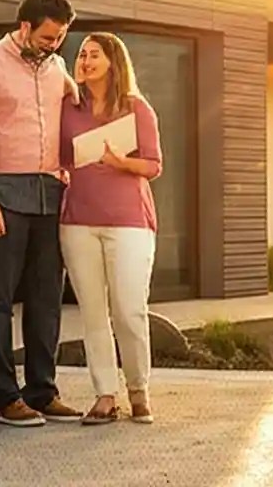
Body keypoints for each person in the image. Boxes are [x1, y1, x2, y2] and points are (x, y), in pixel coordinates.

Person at [0, 0, 83, 427]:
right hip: (2, 194)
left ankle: (43, 392)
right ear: (24, 27)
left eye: (61, 38)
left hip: (51, 194)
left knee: (47, 300)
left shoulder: (58, 67)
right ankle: (5, 396)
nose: (55, 45)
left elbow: (78, 114)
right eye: (49, 37)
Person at [58, 32, 162, 426]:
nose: (84, 61)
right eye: (81, 54)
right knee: (93, 314)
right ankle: (104, 395)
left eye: (93, 55)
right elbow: (61, 157)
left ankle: (138, 389)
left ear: (113, 62)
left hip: (129, 222)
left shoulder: (137, 109)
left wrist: (122, 163)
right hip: (78, 222)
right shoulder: (69, 108)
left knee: (129, 310)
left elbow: (153, 165)